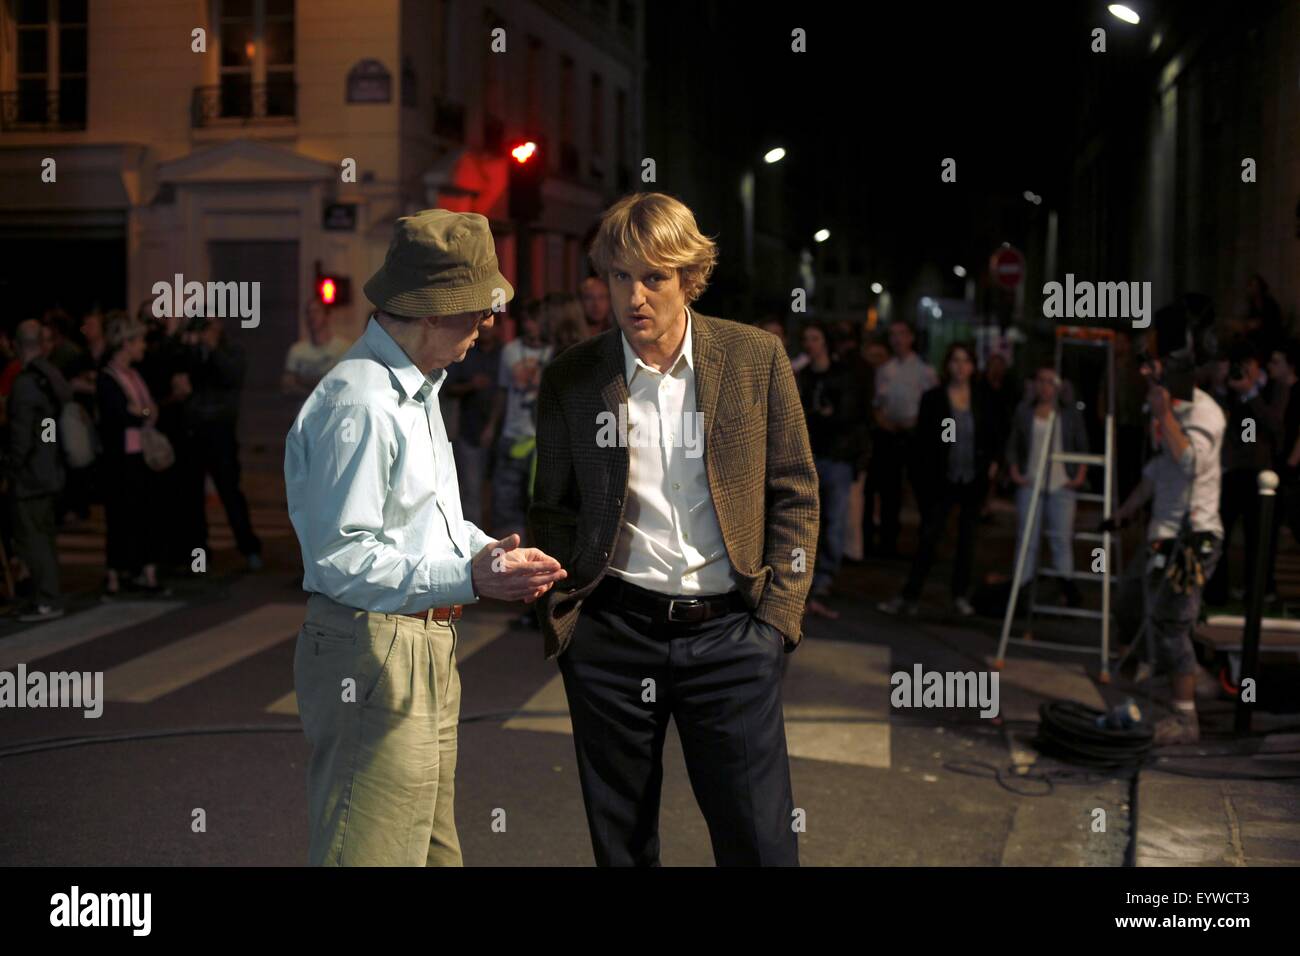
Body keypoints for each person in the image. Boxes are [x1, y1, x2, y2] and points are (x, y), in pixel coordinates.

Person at [530, 192, 818, 866]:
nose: (635, 296)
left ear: (689, 277)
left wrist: (778, 617)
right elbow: (552, 507)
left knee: (761, 843)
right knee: (623, 846)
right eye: (619, 276)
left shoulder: (755, 359)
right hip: (611, 637)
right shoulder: (572, 377)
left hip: (730, 635)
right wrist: (561, 611)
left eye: (654, 277)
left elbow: (797, 493)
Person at [286, 209, 567, 867]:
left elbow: (422, 519)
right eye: (476, 308)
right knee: (373, 850)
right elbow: (340, 557)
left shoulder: (410, 389)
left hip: (414, 640)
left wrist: (483, 551)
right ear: (432, 312)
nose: (488, 324)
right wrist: (470, 577)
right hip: (376, 644)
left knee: (427, 849)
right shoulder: (361, 401)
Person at [1105, 332, 1225, 745]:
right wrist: (1125, 511)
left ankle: (1186, 716)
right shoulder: (1164, 407)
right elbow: (1159, 469)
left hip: (1193, 539)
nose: (1143, 372)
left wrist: (1165, 416)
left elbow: (1190, 461)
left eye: (1150, 363)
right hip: (1162, 532)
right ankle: (1178, 675)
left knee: (1171, 623)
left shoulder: (1204, 412)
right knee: (1130, 599)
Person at [878, 342, 996, 617]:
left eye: (965, 361)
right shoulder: (934, 398)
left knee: (967, 541)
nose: (960, 367)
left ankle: (959, 595)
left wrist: (991, 465)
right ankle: (910, 595)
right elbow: (925, 442)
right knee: (930, 537)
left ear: (972, 366)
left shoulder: (982, 397)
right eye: (955, 360)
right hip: (942, 479)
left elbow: (991, 433)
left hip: (972, 478)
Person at [5, 320, 73, 620]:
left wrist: (10, 467)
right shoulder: (51, 376)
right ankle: (48, 594)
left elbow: (21, 436)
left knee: (32, 537)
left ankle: (46, 599)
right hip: (51, 466)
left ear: (17, 345)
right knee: (44, 535)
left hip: (31, 474)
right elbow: (47, 426)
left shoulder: (25, 383)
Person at [96, 315, 168, 598]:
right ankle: (115, 571)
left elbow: (146, 409)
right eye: (138, 341)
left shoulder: (135, 375)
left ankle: (144, 570)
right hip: (120, 457)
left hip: (142, 453)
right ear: (125, 344)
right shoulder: (108, 378)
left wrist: (143, 413)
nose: (143, 346)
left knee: (145, 512)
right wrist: (142, 413)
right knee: (120, 514)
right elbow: (121, 416)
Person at [1006, 366, 1089, 608]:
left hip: (1061, 482)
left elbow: (1081, 444)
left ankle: (1066, 587)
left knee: (1060, 538)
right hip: (1031, 480)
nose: (1045, 387)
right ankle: (1022, 588)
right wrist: (1014, 471)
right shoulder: (1025, 411)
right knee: (1027, 538)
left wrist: (1080, 473)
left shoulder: (1070, 413)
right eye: (1041, 381)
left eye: (1050, 381)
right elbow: (1014, 443)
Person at [1204, 340, 1280, 605]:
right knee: (1220, 533)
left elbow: (1271, 425)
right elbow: (1229, 424)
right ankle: (1217, 591)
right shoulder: (1226, 391)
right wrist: (1223, 387)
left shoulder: (1269, 388)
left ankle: (1257, 590)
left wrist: (1251, 393)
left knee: (1257, 535)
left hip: (1258, 472)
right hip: (1231, 470)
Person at [186, 316, 263, 571]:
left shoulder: (231, 350)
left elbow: (232, 376)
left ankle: (249, 548)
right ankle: (199, 556)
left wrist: (213, 349)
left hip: (221, 430)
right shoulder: (193, 352)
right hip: (195, 429)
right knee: (193, 498)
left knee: (230, 492)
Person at [797, 321, 862, 618]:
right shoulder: (804, 376)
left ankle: (823, 580)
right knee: (804, 521)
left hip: (836, 458)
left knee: (833, 522)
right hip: (811, 455)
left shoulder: (843, 375)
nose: (810, 344)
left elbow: (847, 417)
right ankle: (805, 581)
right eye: (806, 339)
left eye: (815, 337)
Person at [873, 320, 938, 558]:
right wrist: (884, 422)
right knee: (890, 490)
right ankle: (888, 540)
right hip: (890, 435)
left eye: (902, 334)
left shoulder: (924, 370)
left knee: (921, 489)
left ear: (911, 337)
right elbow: (877, 404)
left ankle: (926, 540)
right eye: (893, 334)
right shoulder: (885, 369)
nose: (897, 339)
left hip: (915, 436)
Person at [487, 298, 551, 540]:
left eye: (534, 320)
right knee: (506, 503)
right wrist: (493, 426)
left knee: (539, 505)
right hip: (513, 434)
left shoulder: (555, 350)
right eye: (526, 320)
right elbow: (502, 391)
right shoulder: (510, 351)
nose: (529, 325)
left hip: (541, 439)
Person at [442, 315, 501, 528]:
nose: (486, 327)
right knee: (471, 493)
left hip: (503, 434)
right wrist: (471, 385)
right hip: (469, 431)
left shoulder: (504, 354)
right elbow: (447, 387)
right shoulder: (465, 352)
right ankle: (476, 549)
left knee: (501, 495)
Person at [282, 301, 350, 396]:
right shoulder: (296, 350)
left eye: (316, 311)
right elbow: (288, 385)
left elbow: (344, 383)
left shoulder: (343, 348)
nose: (312, 316)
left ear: (327, 316)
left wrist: (301, 380)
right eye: (308, 312)